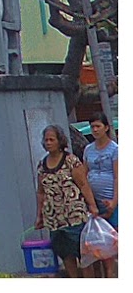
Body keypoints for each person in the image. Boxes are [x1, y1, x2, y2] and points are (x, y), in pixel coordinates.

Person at [34, 123, 98, 278]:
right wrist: (39, 216)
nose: (48, 143)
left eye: (52, 139)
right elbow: (41, 192)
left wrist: (92, 206)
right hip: (55, 219)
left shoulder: (71, 161)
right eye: (46, 140)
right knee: (66, 255)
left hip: (74, 216)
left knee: (83, 255)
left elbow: (83, 184)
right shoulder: (42, 166)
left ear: (59, 141)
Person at [83, 116, 118, 277]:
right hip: (94, 202)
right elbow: (84, 174)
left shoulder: (114, 149)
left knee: (114, 239)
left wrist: (114, 201)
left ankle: (113, 275)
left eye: (98, 126)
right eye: (92, 127)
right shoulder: (88, 150)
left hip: (111, 199)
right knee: (99, 241)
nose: (95, 130)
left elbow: (119, 176)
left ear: (106, 127)